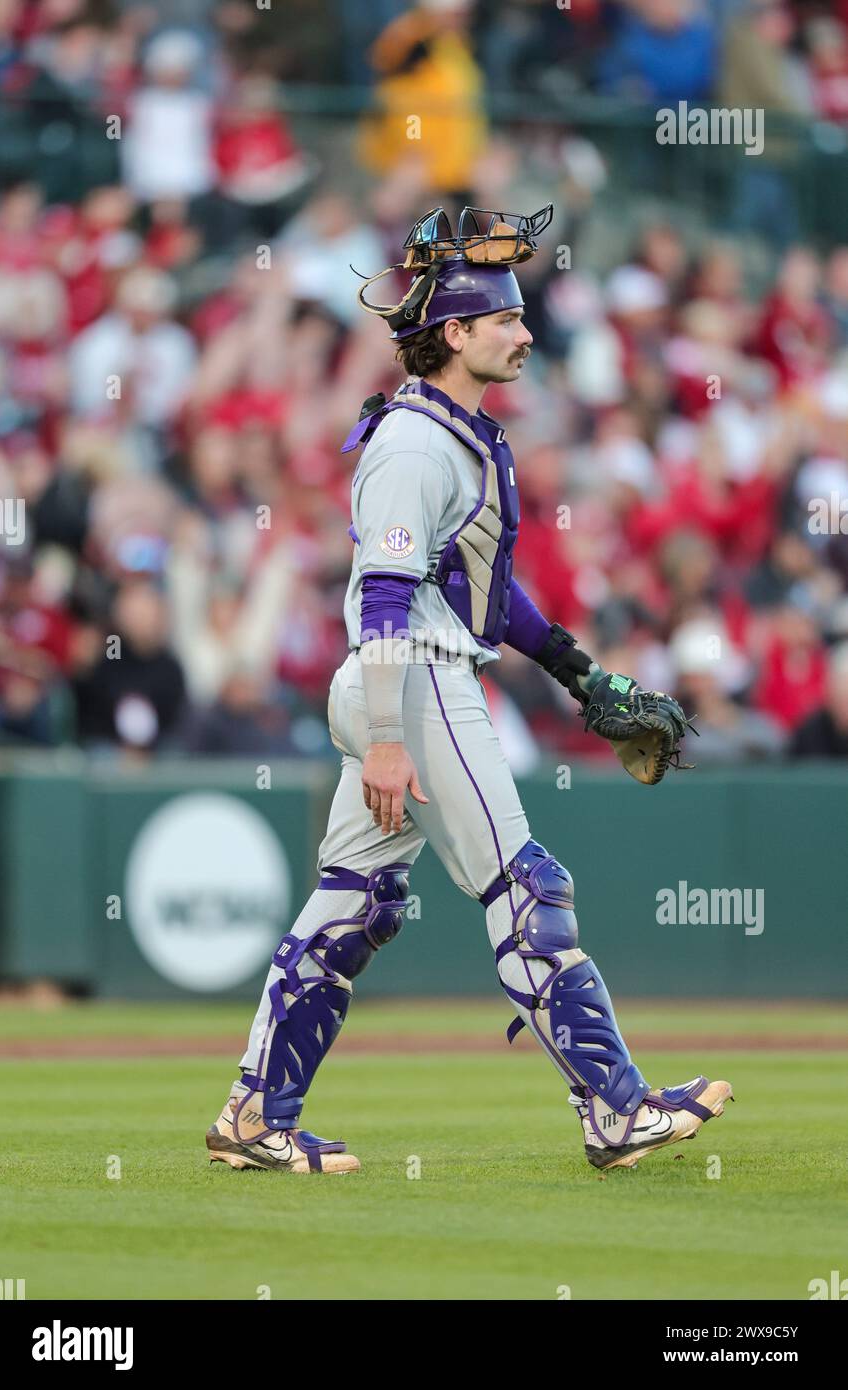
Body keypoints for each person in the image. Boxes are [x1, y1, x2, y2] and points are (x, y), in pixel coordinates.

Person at [205, 205, 733, 1176]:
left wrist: (574, 668)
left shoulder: (451, 430)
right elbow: (384, 597)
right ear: (453, 332)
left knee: (355, 901)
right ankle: (614, 1108)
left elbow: (477, 587)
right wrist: (387, 735)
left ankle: (253, 1115)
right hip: (412, 685)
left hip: (408, 679)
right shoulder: (414, 444)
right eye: (504, 319)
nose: (525, 332)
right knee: (526, 887)